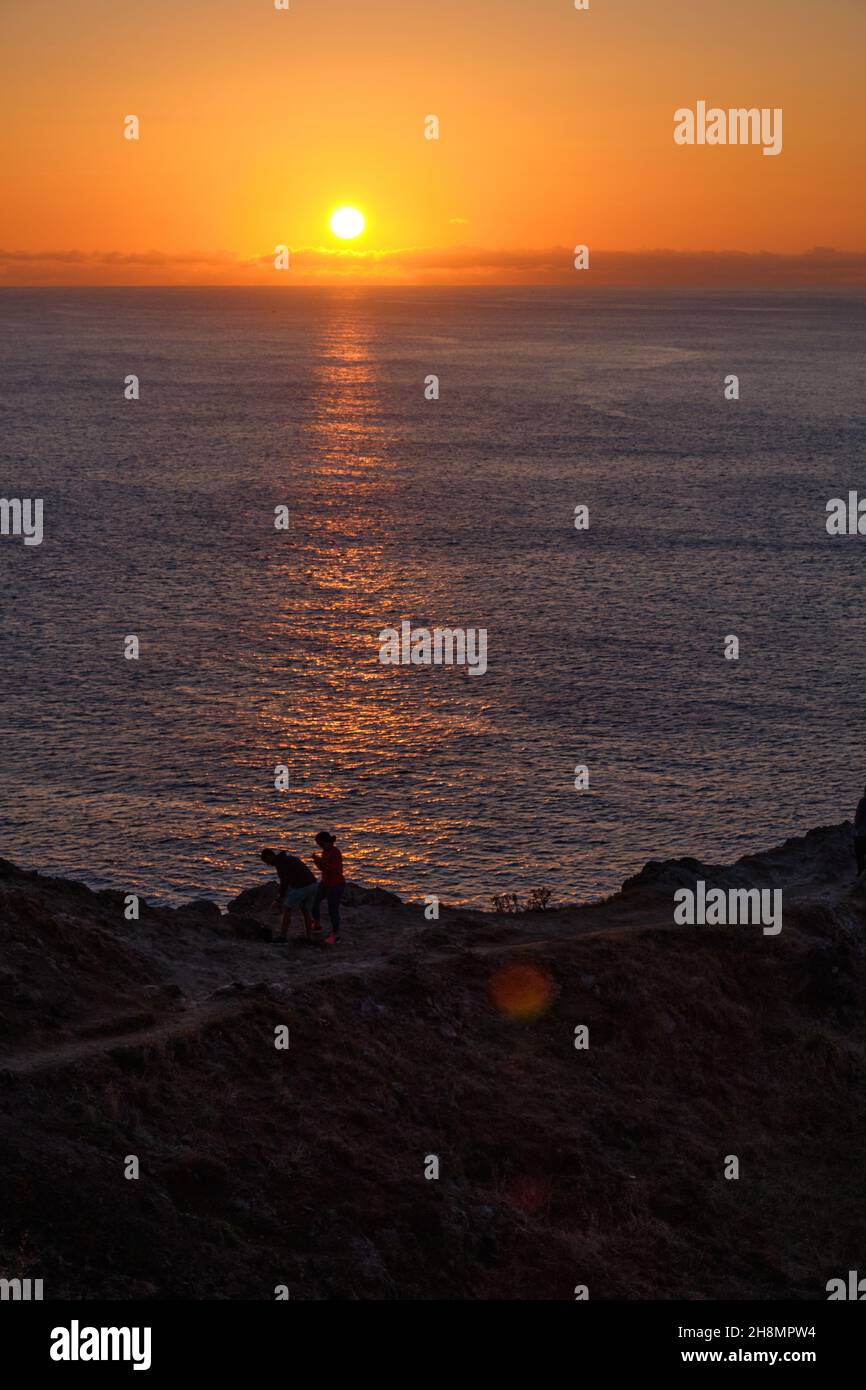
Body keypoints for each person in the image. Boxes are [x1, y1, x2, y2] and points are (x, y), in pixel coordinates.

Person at [260, 848, 318, 942]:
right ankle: (309, 937)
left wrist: (279, 899)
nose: (268, 864)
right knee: (306, 910)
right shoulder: (288, 859)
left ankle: (283, 937)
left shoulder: (281, 864)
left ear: (270, 856)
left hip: (302, 886)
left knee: (287, 908)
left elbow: (284, 882)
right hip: (313, 884)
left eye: (267, 861)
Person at [312, 831, 345, 945]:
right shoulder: (325, 852)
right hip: (325, 883)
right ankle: (317, 924)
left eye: (321, 844)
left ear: (327, 842)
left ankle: (336, 934)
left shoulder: (335, 852)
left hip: (335, 885)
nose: (320, 846)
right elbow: (323, 868)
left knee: (333, 910)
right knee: (314, 901)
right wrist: (317, 862)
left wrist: (321, 862)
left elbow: (335, 870)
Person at [854, 788, 866, 876]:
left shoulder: (863, 802)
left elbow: (858, 818)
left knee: (860, 854)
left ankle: (861, 871)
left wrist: (856, 828)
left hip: (863, 835)